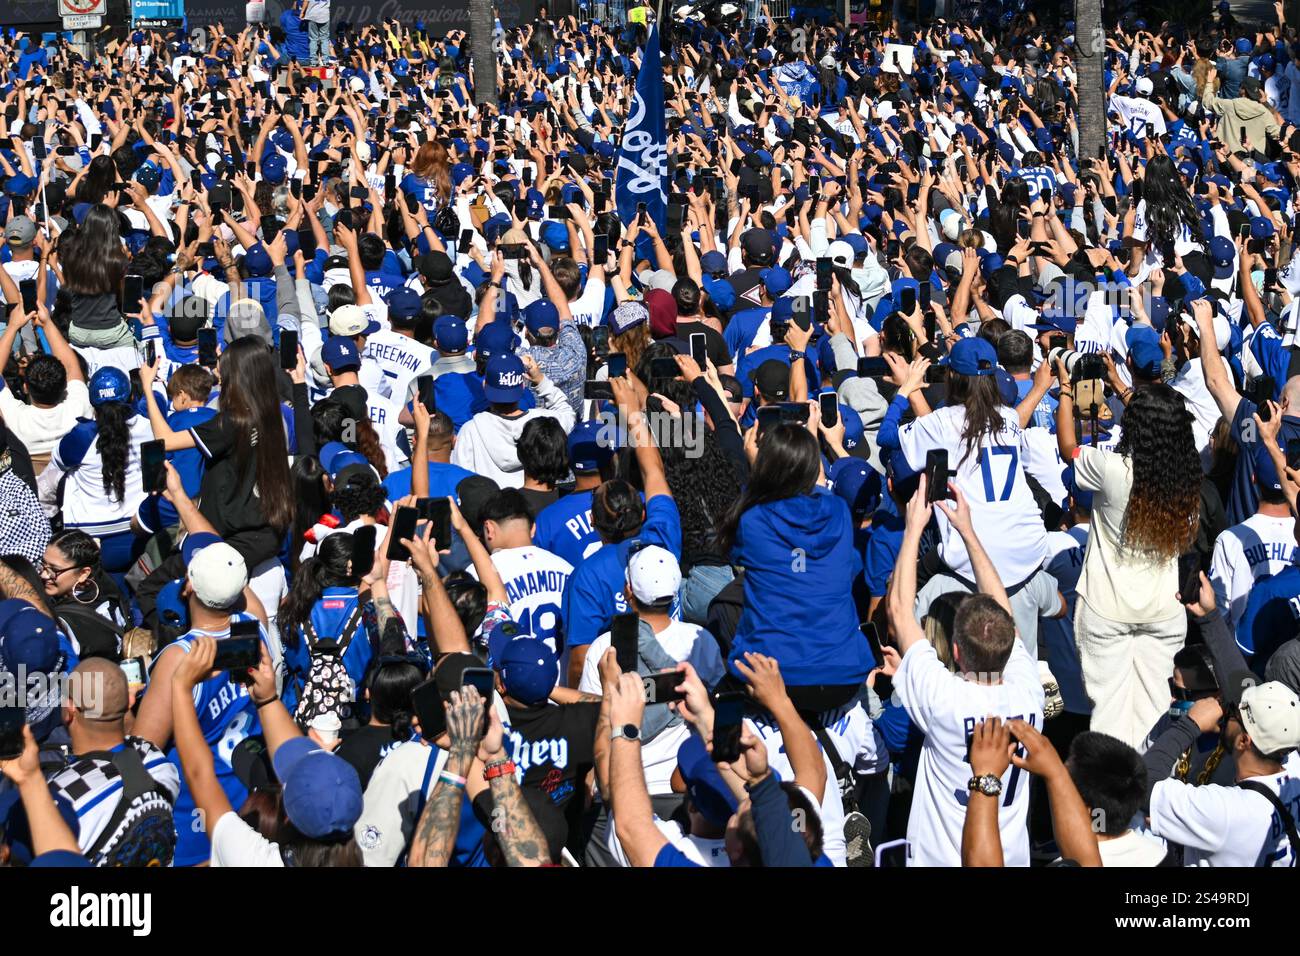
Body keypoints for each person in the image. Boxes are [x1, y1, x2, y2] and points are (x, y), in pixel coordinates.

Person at [889, 475, 1045, 867]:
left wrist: (913, 530)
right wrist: (969, 532)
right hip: (1009, 857)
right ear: (1009, 646)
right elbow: (1002, 609)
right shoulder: (1030, 693)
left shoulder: (945, 698)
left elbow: (898, 611)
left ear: (955, 650)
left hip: (941, 858)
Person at [1061, 381, 1201, 749]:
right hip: (1164, 609)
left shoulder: (1110, 468)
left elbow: (1066, 447)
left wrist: (1063, 388)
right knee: (1158, 713)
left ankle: (1108, 802)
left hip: (1105, 607)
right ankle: (1152, 794)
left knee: (1108, 715)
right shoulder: (1186, 481)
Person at [47, 658, 181, 866]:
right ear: (130, 701)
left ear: (70, 708)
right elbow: (133, 745)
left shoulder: (60, 796)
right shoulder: (158, 762)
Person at [40, 529, 129, 661]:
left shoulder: (65, 624)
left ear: (83, 573)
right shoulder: (104, 580)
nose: (44, 575)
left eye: (54, 570)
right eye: (43, 565)